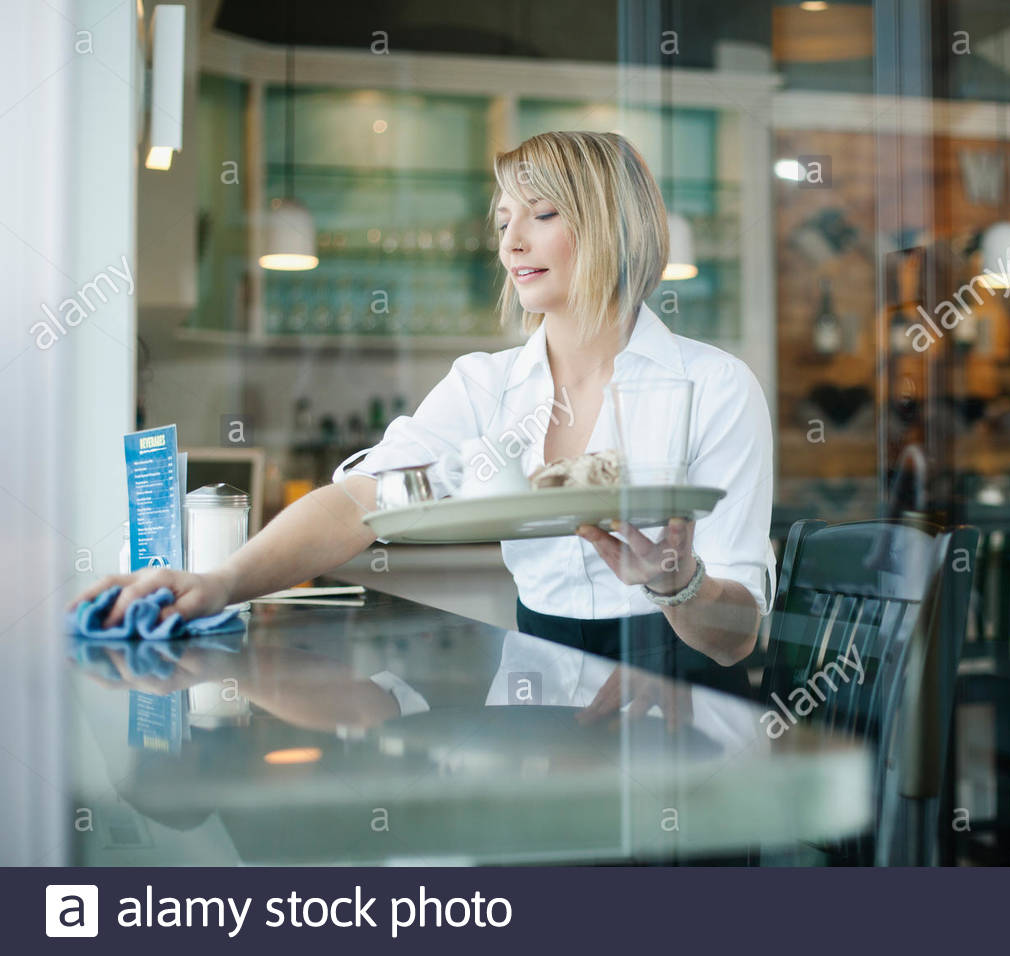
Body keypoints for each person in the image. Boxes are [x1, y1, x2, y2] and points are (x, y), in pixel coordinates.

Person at [70, 130, 776, 700]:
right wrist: (219, 584)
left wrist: (675, 583)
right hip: (528, 702)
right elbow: (358, 502)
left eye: (543, 214)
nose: (511, 242)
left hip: (683, 712)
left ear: (615, 229)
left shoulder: (715, 388)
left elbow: (734, 636)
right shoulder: (485, 385)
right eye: (504, 220)